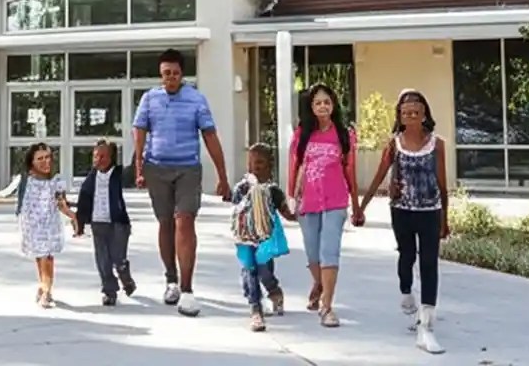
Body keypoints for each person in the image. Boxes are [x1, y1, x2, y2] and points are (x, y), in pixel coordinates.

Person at [133, 48, 231, 317]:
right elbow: (139, 131)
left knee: (184, 221)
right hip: (157, 169)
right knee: (165, 223)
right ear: (160, 74)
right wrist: (139, 166)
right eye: (166, 74)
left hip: (188, 169)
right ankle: (171, 280)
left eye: (175, 73)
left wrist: (223, 176)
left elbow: (210, 136)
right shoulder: (149, 99)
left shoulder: (196, 99)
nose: (171, 78)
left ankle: (187, 290)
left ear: (182, 74)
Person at [359, 89, 450, 354]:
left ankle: (426, 327)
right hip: (402, 210)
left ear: (425, 114)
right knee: (407, 256)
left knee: (429, 263)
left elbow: (443, 186)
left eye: (416, 111)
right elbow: (378, 178)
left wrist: (445, 218)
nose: (411, 115)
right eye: (406, 112)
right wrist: (361, 208)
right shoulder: (393, 145)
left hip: (430, 210)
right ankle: (405, 289)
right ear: (399, 116)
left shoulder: (437, 144)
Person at [288, 83, 360, 328]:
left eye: (327, 102)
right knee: (313, 253)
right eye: (317, 102)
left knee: (329, 252)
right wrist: (290, 198)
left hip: (336, 201)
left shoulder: (344, 134)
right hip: (308, 201)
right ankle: (319, 284)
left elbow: (350, 169)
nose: (322, 106)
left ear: (333, 105)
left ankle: (327, 306)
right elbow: (293, 166)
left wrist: (357, 205)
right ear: (311, 106)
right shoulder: (302, 134)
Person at [231, 143, 295, 332]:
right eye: (250, 163)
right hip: (245, 237)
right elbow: (236, 210)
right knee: (249, 269)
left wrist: (298, 215)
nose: (254, 167)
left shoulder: (273, 190)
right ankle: (255, 308)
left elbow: (285, 212)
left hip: (266, 237)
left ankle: (274, 290)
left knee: (264, 270)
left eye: (259, 163)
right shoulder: (241, 188)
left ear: (269, 166)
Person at [15, 142, 79, 308]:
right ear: (32, 162)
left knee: (47, 258)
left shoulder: (57, 181)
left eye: (48, 157)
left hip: (49, 225)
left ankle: (46, 291)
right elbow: (18, 200)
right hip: (32, 225)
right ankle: (43, 285)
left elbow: (61, 203)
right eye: (40, 158)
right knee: (40, 257)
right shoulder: (25, 179)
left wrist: (73, 217)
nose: (45, 162)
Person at [74, 139, 137, 305]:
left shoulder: (118, 174)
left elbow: (132, 173)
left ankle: (126, 278)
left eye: (103, 157)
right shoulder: (91, 178)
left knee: (118, 258)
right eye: (95, 156)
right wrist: (79, 224)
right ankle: (109, 291)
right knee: (103, 260)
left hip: (118, 224)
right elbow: (83, 202)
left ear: (112, 158)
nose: (98, 160)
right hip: (98, 223)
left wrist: (140, 148)